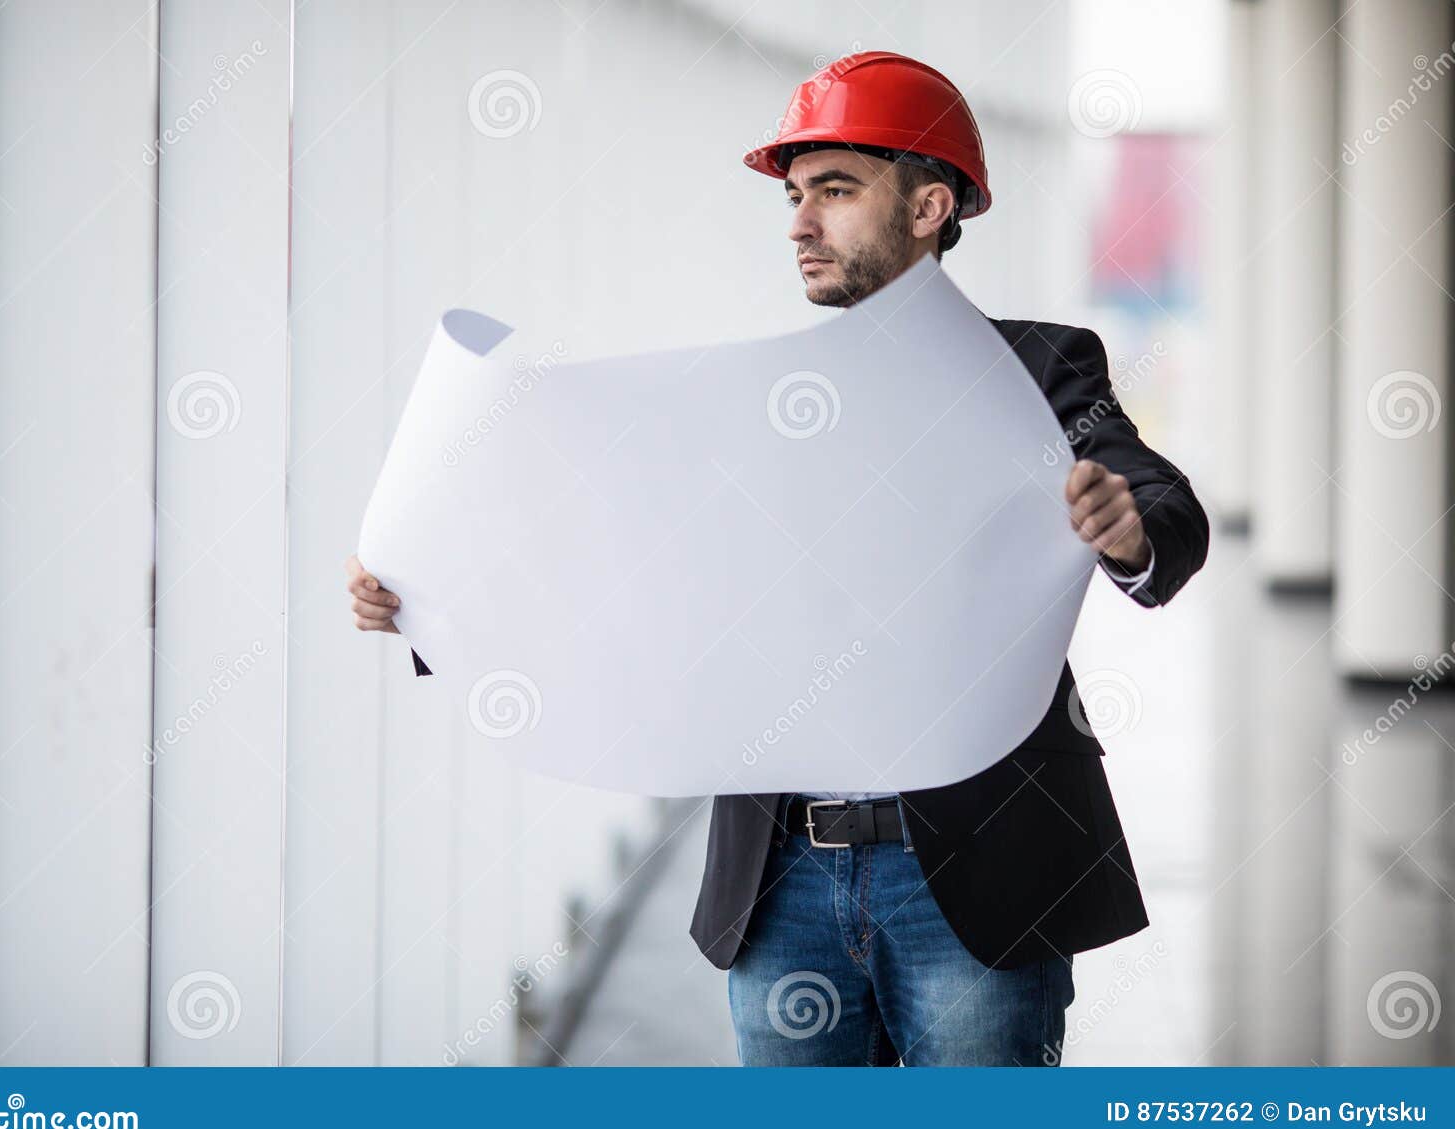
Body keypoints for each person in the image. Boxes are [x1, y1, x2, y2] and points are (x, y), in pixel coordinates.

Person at [346, 49, 1209, 1067]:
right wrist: (434, 604)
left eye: (834, 190)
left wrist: (1126, 528)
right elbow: (618, 564)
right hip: (782, 877)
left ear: (929, 205)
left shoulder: (1038, 367)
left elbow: (1163, 503)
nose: (800, 222)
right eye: (794, 196)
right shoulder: (759, 397)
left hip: (975, 870)